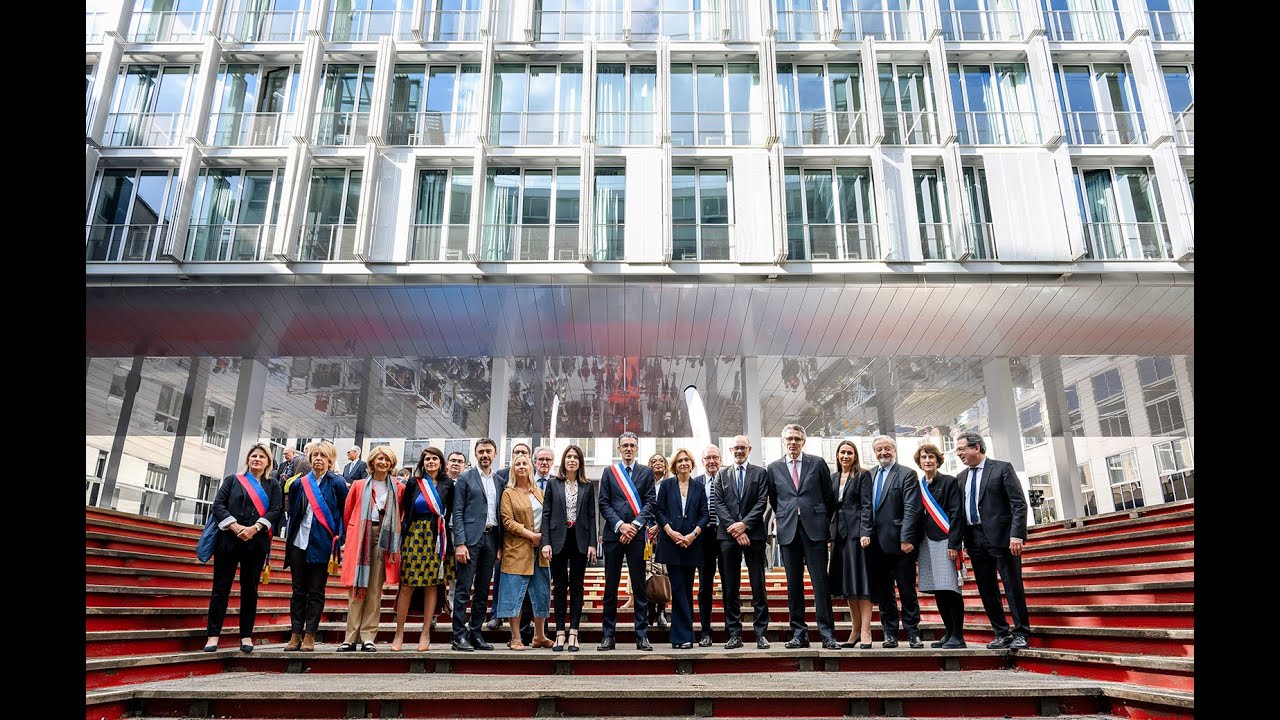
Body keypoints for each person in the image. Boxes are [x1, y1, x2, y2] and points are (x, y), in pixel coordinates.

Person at [765, 424, 840, 650]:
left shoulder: (817, 463)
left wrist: (820, 520)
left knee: (820, 583)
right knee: (793, 585)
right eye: (789, 439)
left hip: (815, 529)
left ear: (803, 441)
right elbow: (775, 498)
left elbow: (829, 497)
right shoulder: (773, 468)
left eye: (797, 439)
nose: (793, 443)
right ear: (783, 441)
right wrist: (788, 515)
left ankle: (827, 634)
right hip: (788, 532)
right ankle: (799, 633)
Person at [204, 442, 283, 653]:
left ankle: (246, 636)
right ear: (248, 459)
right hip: (228, 541)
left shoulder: (273, 485)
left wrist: (255, 528)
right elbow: (218, 505)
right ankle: (213, 636)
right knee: (220, 589)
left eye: (262, 457)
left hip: (255, 544)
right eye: (254, 456)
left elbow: (276, 510)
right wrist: (235, 526)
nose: (257, 459)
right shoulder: (232, 481)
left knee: (250, 590)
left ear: (268, 462)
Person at [954, 432, 1031, 650]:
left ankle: (1021, 633)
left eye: (961, 449)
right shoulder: (961, 478)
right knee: (986, 588)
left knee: (1012, 585)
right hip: (974, 539)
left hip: (1003, 539)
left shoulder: (1001, 468)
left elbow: (1019, 504)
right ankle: (1001, 633)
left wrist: (1016, 535)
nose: (959, 454)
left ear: (976, 448)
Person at [283, 440, 348, 652]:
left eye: (323, 455)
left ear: (330, 460)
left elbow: (343, 512)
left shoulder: (337, 483)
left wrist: (340, 539)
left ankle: (310, 634)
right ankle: (295, 635)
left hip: (322, 544)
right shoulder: (298, 484)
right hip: (298, 543)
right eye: (315, 455)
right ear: (310, 459)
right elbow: (293, 511)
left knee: (316, 591)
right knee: (298, 591)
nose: (318, 459)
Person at [338, 445, 403, 652]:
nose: (383, 462)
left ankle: (368, 636)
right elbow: (348, 513)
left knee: (375, 588)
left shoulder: (398, 487)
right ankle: (350, 636)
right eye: (379, 459)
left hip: (383, 538)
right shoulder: (358, 485)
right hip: (361, 536)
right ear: (372, 461)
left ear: (391, 464)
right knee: (357, 588)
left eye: (387, 459)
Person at [861, 435, 924, 649]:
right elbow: (866, 508)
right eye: (878, 449)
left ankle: (913, 633)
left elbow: (912, 508)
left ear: (894, 450)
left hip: (900, 544)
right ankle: (890, 633)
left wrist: (906, 538)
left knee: (906, 589)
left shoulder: (906, 474)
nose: (883, 453)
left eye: (887, 448)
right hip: (875, 546)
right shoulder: (868, 475)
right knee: (883, 591)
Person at [597, 431, 657, 651]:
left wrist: (634, 526)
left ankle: (641, 636)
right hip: (614, 535)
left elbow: (651, 502)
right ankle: (608, 636)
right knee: (610, 587)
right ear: (618, 448)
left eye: (632, 445)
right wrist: (620, 525)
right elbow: (603, 503)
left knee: (639, 587)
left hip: (637, 536)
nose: (629, 448)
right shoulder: (609, 472)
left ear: (637, 448)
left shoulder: (646, 472)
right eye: (625, 445)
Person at [393, 447, 456, 651]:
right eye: (427, 459)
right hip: (414, 535)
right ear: (422, 462)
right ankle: (399, 633)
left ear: (441, 462)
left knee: (433, 585)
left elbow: (451, 511)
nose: (431, 462)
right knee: (407, 584)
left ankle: (426, 632)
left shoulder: (448, 484)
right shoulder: (414, 482)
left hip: (437, 537)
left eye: (434, 458)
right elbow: (404, 509)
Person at [715, 435, 770, 649]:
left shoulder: (760, 473)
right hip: (728, 536)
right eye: (736, 448)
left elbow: (761, 502)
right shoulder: (722, 474)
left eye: (742, 448)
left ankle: (760, 633)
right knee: (730, 586)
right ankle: (734, 633)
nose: (739, 451)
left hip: (754, 535)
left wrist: (744, 525)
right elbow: (719, 503)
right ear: (730, 450)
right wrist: (736, 529)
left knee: (758, 584)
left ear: (750, 449)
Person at [540, 444, 597, 652]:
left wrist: (592, 543)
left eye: (575, 457)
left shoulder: (587, 486)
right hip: (557, 539)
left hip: (579, 538)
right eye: (568, 457)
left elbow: (592, 515)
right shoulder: (554, 484)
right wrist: (545, 541)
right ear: (564, 461)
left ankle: (574, 631)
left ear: (580, 462)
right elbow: (546, 514)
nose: (572, 459)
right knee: (559, 586)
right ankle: (560, 633)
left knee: (577, 586)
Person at [450, 438, 504, 651]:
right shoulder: (465, 478)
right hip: (470, 540)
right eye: (481, 451)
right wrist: (460, 543)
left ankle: (476, 634)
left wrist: (499, 545)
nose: (484, 455)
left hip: (491, 539)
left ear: (495, 453)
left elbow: (499, 514)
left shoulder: (499, 481)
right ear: (475, 454)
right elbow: (458, 511)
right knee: (463, 588)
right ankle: (458, 636)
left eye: (488, 451)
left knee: (482, 590)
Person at [496, 455, 552, 650]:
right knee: (514, 594)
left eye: (525, 463)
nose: (522, 466)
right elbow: (507, 521)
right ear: (513, 469)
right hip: (517, 549)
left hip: (540, 552)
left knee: (541, 593)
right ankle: (516, 637)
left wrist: (544, 539)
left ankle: (540, 635)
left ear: (531, 467)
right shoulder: (508, 493)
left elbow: (548, 516)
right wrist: (531, 536)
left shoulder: (539, 492)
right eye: (517, 464)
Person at [654, 448, 708, 649]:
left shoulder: (699, 487)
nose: (684, 463)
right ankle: (685, 635)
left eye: (687, 460)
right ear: (674, 465)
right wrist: (670, 532)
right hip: (671, 544)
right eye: (680, 461)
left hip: (692, 544)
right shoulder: (667, 486)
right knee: (677, 590)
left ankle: (679, 637)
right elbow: (659, 511)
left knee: (686, 589)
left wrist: (693, 535)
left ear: (692, 464)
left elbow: (704, 514)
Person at [913, 443, 966, 649]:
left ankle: (958, 636)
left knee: (951, 589)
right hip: (925, 542)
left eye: (931, 457)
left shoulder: (949, 482)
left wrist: (954, 543)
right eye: (924, 457)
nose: (927, 461)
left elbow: (956, 514)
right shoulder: (919, 485)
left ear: (938, 460)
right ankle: (949, 632)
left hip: (945, 541)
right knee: (938, 590)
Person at [828, 439, 873, 648]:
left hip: (857, 535)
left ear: (855, 456)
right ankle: (854, 630)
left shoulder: (863, 475)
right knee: (848, 584)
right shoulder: (833, 477)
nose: (845, 456)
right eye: (842, 452)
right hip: (839, 536)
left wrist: (865, 531)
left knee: (861, 583)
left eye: (850, 453)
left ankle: (865, 630)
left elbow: (866, 505)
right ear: (837, 455)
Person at [694, 444, 723, 647]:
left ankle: (733, 631)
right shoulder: (695, 483)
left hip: (724, 536)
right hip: (703, 538)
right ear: (702, 461)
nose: (711, 462)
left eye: (715, 457)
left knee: (730, 584)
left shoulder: (727, 479)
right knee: (705, 587)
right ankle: (705, 631)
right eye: (707, 458)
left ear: (720, 459)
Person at [645, 452, 671, 629]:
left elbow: (672, 507)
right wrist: (647, 528)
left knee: (663, 570)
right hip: (646, 533)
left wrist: (659, 527)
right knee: (647, 570)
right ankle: (649, 609)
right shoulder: (645, 483)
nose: (657, 464)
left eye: (661, 461)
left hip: (665, 532)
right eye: (653, 461)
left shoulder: (670, 483)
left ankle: (661, 610)